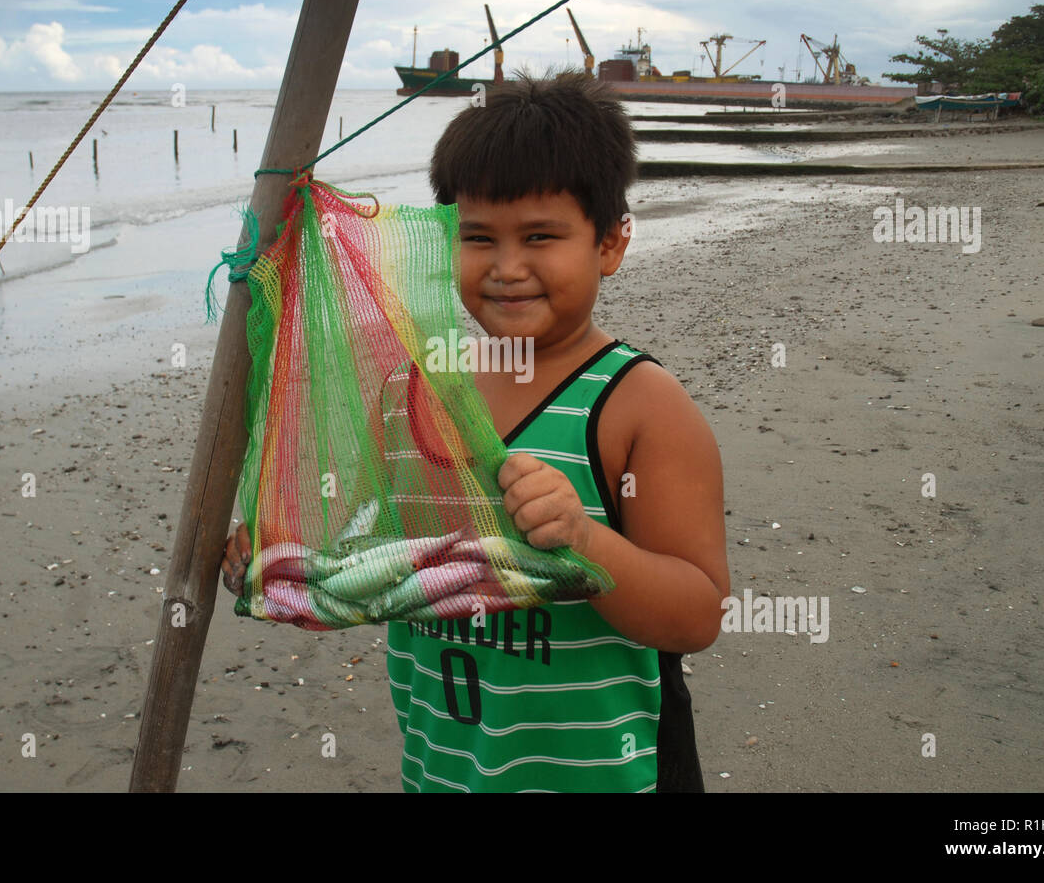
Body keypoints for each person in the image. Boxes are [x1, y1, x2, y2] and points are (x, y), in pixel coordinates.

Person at [222, 68, 728, 792]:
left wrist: (585, 540)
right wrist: (280, 558)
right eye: (478, 237)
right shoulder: (410, 392)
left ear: (610, 244)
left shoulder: (638, 406)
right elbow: (370, 545)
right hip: (444, 771)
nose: (508, 267)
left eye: (542, 236)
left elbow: (698, 613)